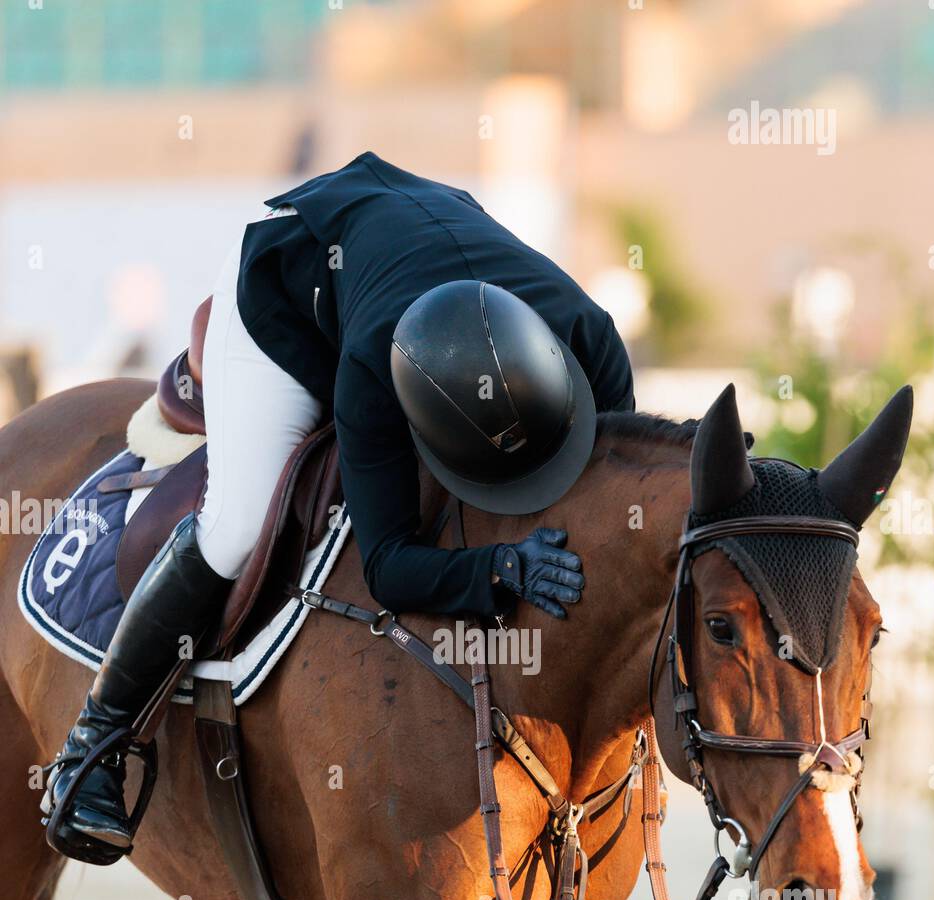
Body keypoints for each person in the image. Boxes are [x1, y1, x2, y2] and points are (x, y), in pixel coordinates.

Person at [42, 151, 635, 861]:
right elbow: (389, 567)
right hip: (292, 277)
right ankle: (95, 745)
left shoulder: (589, 335)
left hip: (425, 221)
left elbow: (617, 492)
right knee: (233, 530)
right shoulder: (373, 376)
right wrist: (502, 566)